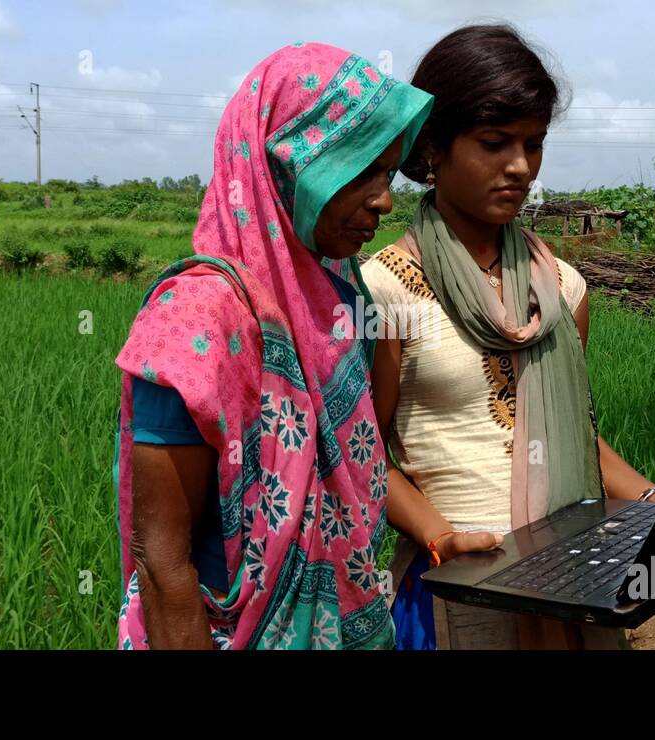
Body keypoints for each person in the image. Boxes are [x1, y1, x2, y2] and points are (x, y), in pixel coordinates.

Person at [111, 42, 432, 649]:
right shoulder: (196, 321)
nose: (385, 199)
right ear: (286, 166)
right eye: (360, 169)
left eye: (388, 174)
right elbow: (162, 563)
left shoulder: (341, 297)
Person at [361, 25, 655, 650]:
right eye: (495, 143)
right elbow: (360, 452)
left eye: (535, 143)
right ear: (433, 149)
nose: (521, 167)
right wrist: (440, 535)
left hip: (569, 576)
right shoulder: (386, 292)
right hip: (461, 580)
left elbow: (575, 438)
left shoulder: (562, 289)